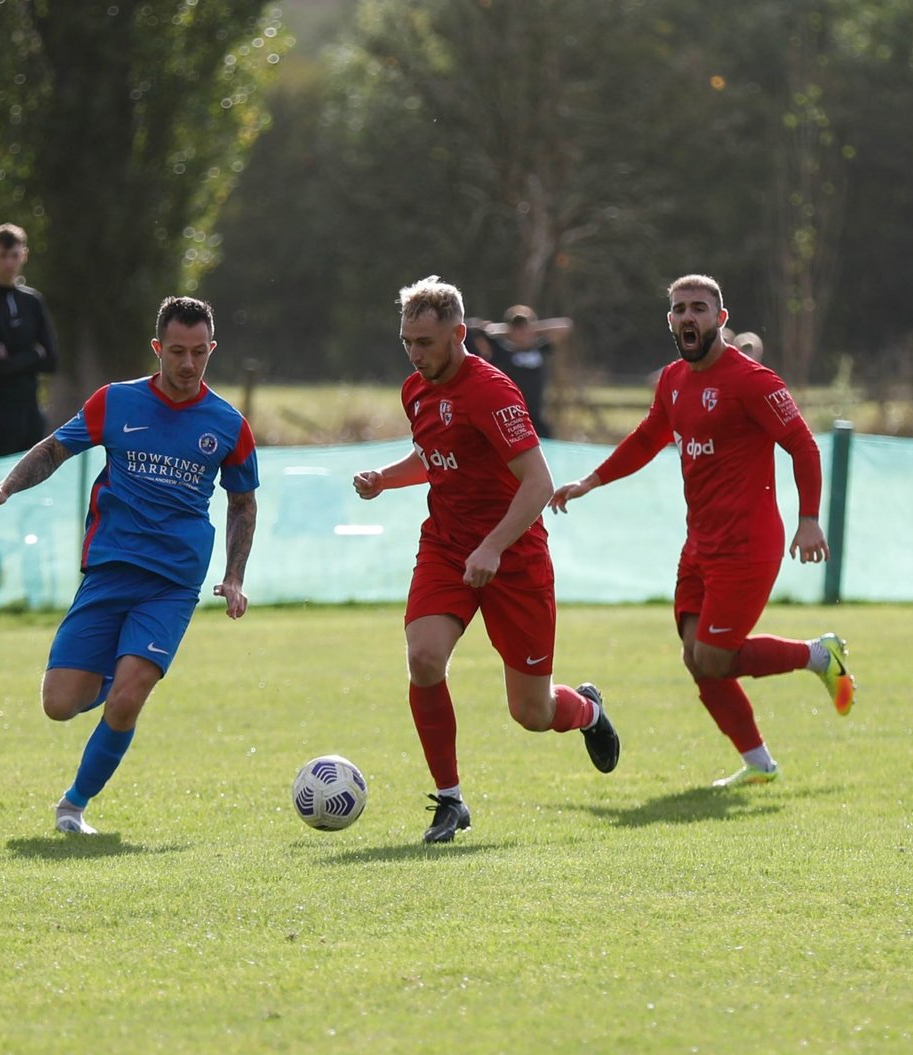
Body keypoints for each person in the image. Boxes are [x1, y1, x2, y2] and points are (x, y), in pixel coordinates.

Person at [551, 273, 854, 788]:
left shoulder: (753, 380)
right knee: (698, 659)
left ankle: (819, 655)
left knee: (714, 657)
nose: (687, 316)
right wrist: (590, 481)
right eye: (678, 308)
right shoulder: (672, 379)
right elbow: (649, 436)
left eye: (698, 307)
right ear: (669, 320)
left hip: (748, 546)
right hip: (699, 545)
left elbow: (804, 446)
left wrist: (808, 520)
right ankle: (760, 765)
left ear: (721, 318)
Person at [0, 296, 258, 834]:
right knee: (60, 704)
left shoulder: (228, 424)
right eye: (177, 351)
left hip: (172, 582)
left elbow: (242, 503)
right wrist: (5, 487)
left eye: (199, 352)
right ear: (158, 349)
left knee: (129, 696)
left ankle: (73, 806)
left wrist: (235, 575)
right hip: (110, 569)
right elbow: (55, 449)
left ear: (212, 349)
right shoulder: (116, 403)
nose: (189, 364)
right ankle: (115, 669)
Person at [352, 275, 618, 844]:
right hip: (447, 549)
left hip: (514, 559)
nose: (414, 354)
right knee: (424, 659)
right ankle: (450, 801)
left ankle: (588, 711)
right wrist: (385, 479)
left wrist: (493, 546)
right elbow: (434, 455)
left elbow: (538, 482)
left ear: (459, 333)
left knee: (531, 712)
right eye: (407, 342)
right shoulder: (416, 390)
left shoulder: (492, 391)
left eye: (424, 342)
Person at [0, 223, 60, 460]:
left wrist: (12, 356)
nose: (9, 263)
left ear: (24, 256)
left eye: (15, 255)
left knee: (30, 480)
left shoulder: (32, 302)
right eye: (3, 256)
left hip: (29, 413)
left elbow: (51, 361)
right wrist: (32, 354)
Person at [485, 305, 569, 439]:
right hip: (512, 421)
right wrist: (508, 329)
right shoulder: (502, 352)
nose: (522, 331)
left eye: (525, 327)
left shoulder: (541, 349)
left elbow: (565, 326)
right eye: (517, 328)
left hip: (536, 419)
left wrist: (532, 328)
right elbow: (485, 331)